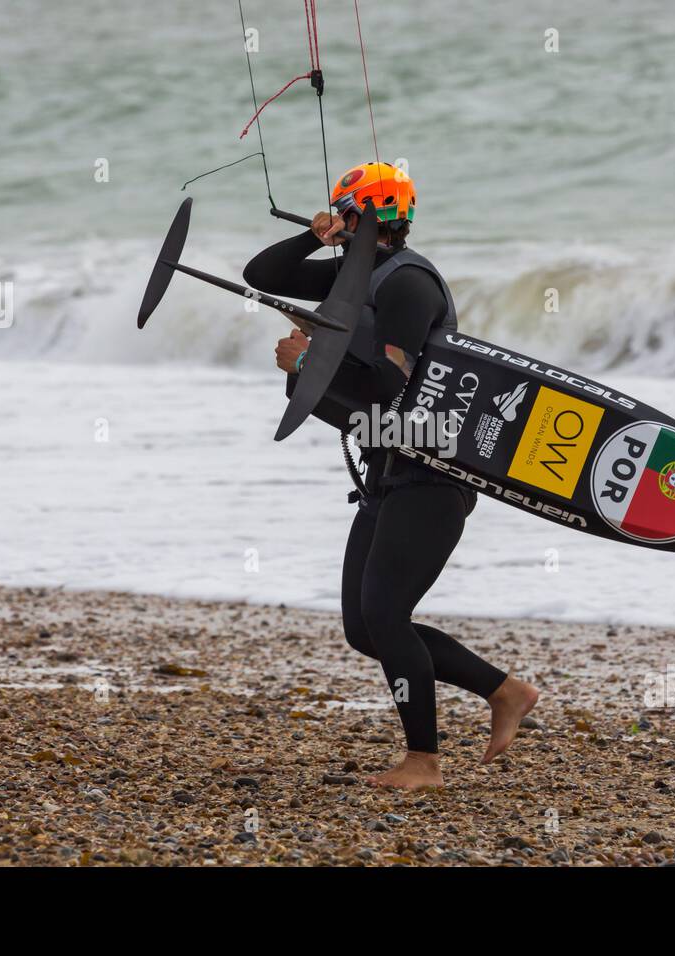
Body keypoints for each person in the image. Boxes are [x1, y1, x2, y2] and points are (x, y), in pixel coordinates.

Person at [243, 162, 539, 790]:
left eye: (343, 215)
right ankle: (505, 692)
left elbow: (386, 389)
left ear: (364, 216)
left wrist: (304, 366)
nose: (339, 226)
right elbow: (260, 276)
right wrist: (312, 238)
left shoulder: (406, 285)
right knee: (364, 625)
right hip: (388, 470)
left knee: (387, 615)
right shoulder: (362, 275)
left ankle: (423, 762)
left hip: (431, 474)